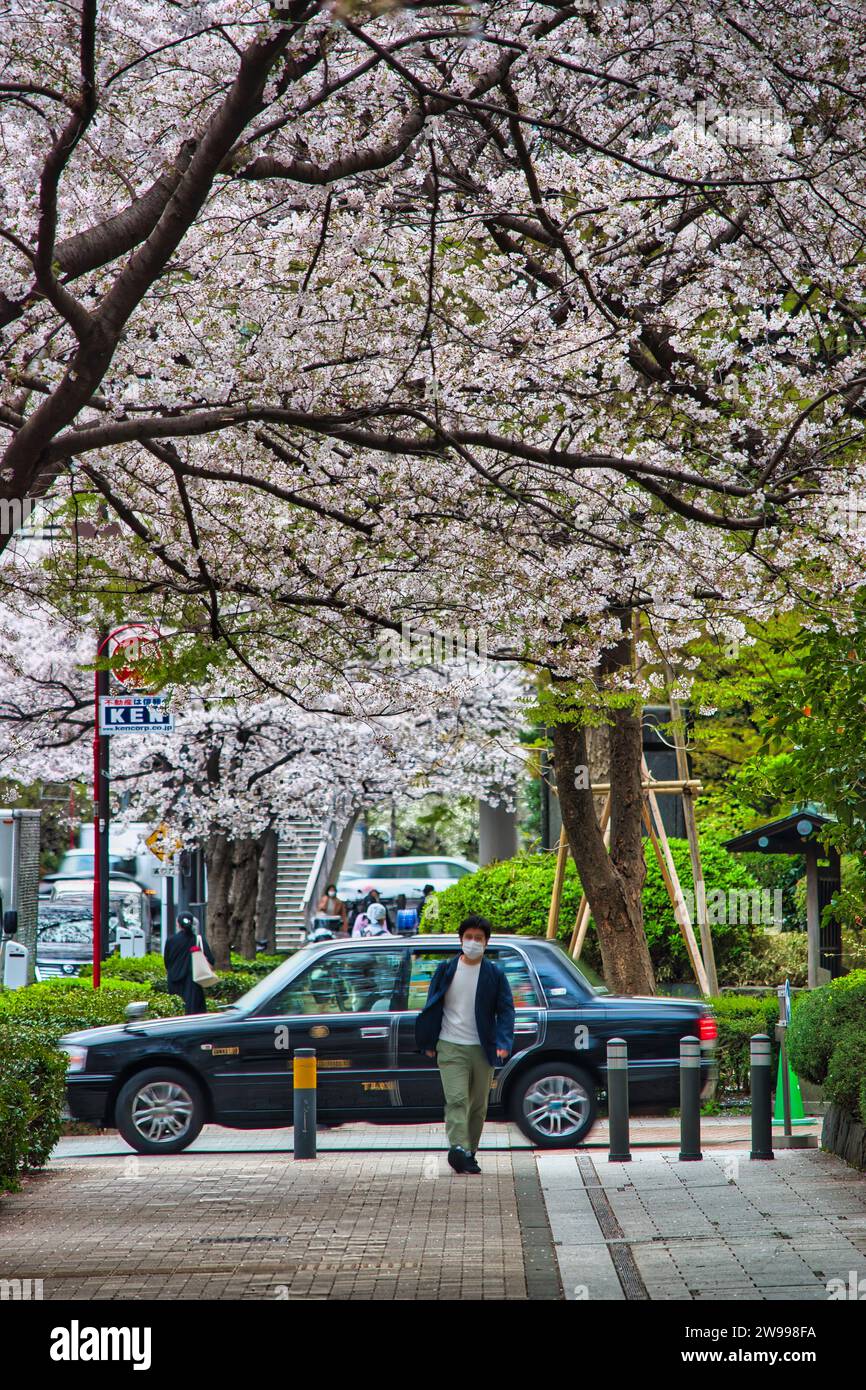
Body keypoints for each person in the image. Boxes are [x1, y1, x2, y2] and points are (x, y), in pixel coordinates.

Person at [414, 914, 515, 1175]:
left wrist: (503, 1042)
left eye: (478, 939)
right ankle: (458, 1148)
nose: (472, 942)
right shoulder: (446, 970)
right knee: (457, 1099)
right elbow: (432, 1005)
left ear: (486, 942)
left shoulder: (494, 974)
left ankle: (469, 1153)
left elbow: (506, 1010)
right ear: (460, 940)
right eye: (468, 937)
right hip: (450, 1046)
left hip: (483, 1048)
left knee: (478, 1105)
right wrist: (428, 1040)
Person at [164, 912, 215, 1015]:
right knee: (194, 1014)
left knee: (176, 1013)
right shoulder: (198, 939)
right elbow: (211, 960)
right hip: (193, 983)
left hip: (174, 982)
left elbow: (167, 962)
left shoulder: (170, 940)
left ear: (178, 924)